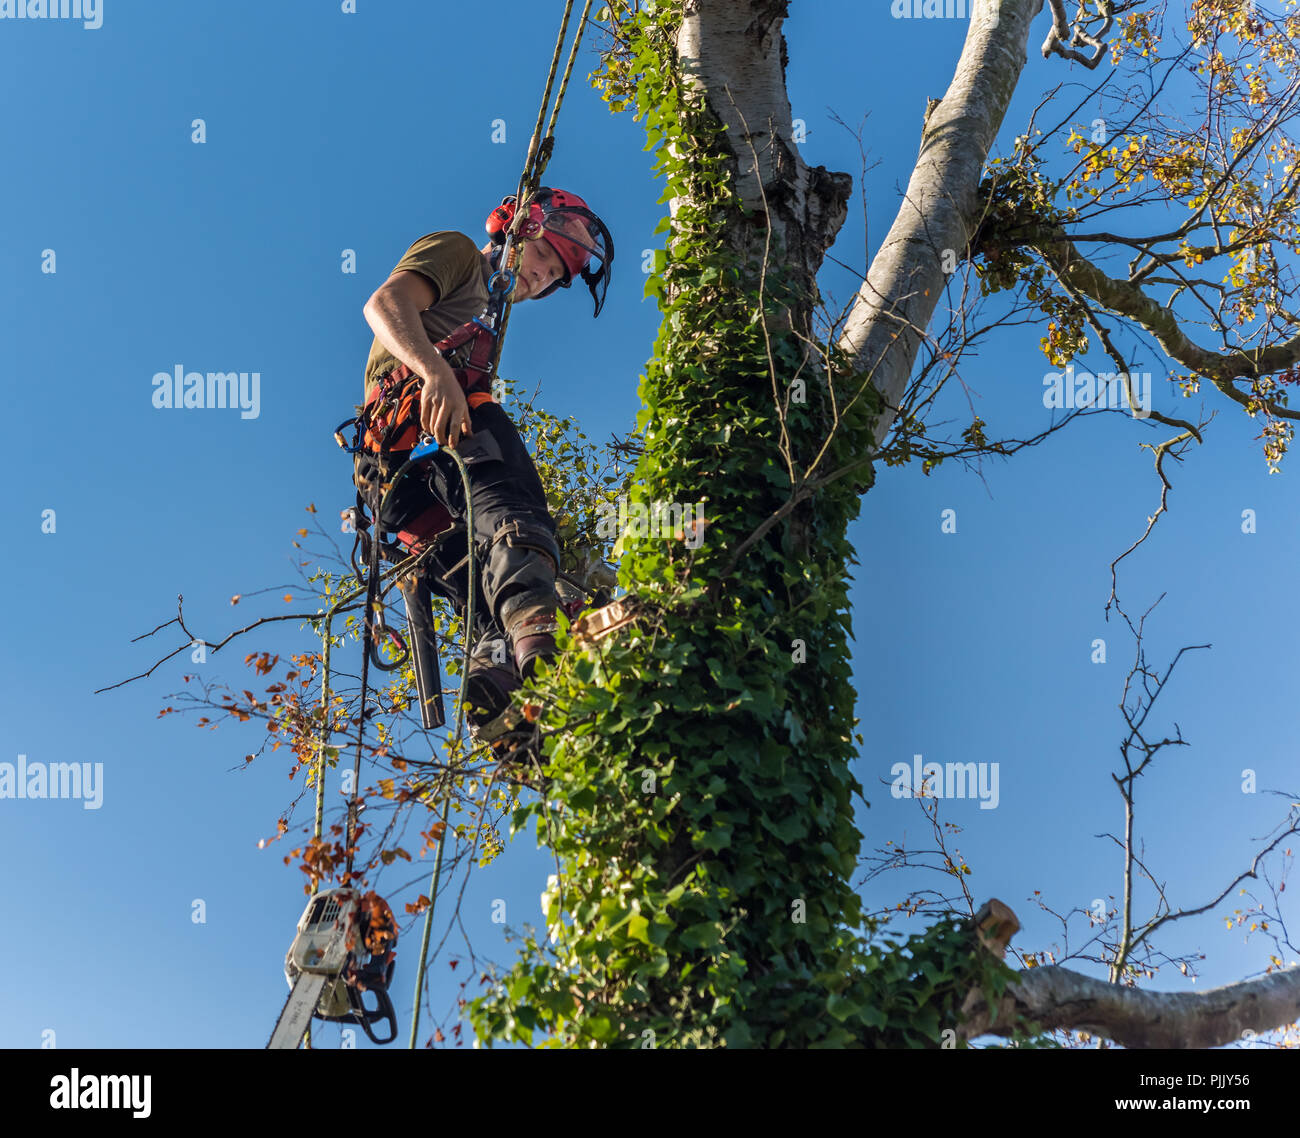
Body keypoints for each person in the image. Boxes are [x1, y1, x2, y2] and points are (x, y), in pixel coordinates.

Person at [351, 188, 614, 741]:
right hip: (415, 423)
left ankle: (500, 689)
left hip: (398, 483)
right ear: (517, 226)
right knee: (511, 496)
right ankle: (535, 620)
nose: (542, 276)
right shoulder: (460, 254)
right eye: (544, 255)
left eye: (555, 276)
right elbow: (384, 305)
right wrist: (434, 373)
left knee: (476, 577)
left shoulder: (491, 316)